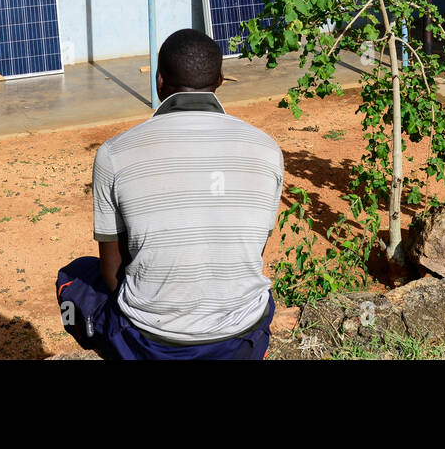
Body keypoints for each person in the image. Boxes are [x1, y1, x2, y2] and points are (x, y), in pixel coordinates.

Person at [55, 28, 284, 359]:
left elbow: (110, 273)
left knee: (72, 276)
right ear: (220, 79)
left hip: (149, 343)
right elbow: (254, 248)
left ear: (159, 81)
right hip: (242, 338)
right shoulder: (267, 149)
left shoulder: (114, 153)